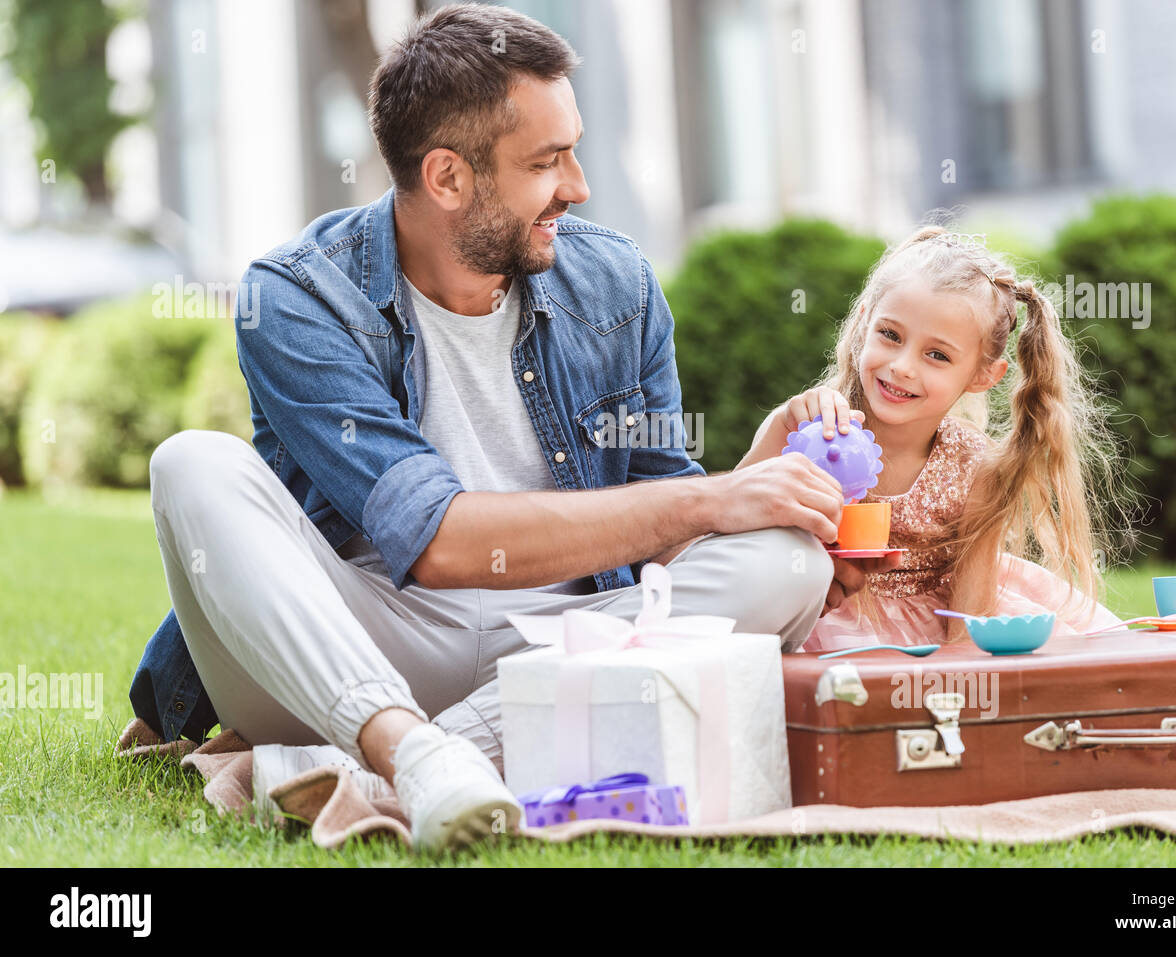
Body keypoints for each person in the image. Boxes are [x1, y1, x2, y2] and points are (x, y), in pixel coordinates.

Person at [134, 4, 886, 854]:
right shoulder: (300, 297)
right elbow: (440, 541)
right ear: (447, 177)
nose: (579, 184)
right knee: (191, 463)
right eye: (547, 160)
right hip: (357, 636)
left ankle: (415, 761)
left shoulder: (617, 281)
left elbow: (660, 531)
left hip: (566, 643)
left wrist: (755, 484)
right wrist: (713, 498)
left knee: (784, 558)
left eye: (573, 149)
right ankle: (405, 746)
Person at [737, 226, 1133, 652]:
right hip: (818, 619)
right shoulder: (813, 431)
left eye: (937, 355)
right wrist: (782, 426)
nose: (903, 366)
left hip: (939, 634)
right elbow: (725, 527)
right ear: (864, 323)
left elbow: (968, 622)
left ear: (984, 375)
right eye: (889, 334)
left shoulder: (975, 466)